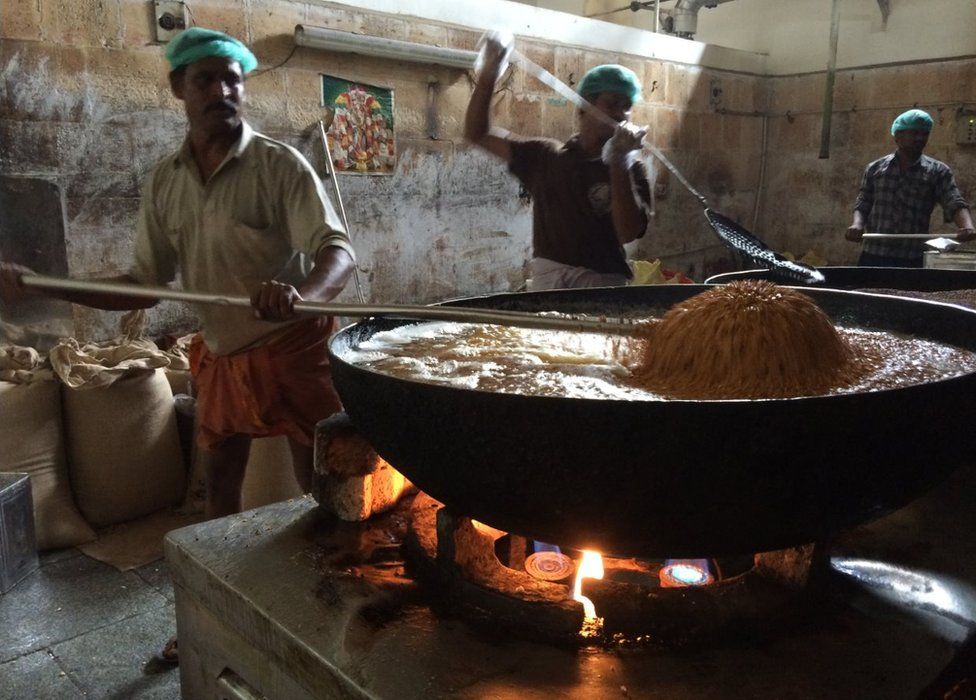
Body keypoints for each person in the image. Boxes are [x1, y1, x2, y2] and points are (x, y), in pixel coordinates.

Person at [0, 27, 355, 520]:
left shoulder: (280, 166)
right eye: (205, 80)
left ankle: (330, 573)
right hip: (223, 354)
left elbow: (337, 250)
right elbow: (143, 287)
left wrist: (303, 294)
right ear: (177, 88)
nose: (221, 92)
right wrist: (48, 285)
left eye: (232, 80)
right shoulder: (166, 183)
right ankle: (221, 581)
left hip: (294, 347)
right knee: (218, 490)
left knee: (319, 483)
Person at [464, 35, 653, 290]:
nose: (620, 114)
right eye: (611, 103)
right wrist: (489, 75)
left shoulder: (630, 168)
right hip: (549, 286)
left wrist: (619, 162)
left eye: (627, 106)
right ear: (583, 108)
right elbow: (477, 133)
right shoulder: (546, 157)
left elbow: (627, 233)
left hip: (603, 289)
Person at [846, 108, 974, 267]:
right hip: (874, 254)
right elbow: (863, 201)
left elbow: (954, 201)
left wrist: (966, 226)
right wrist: (857, 224)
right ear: (898, 136)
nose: (920, 138)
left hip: (911, 258)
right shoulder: (875, 169)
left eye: (924, 133)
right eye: (914, 133)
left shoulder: (938, 171)